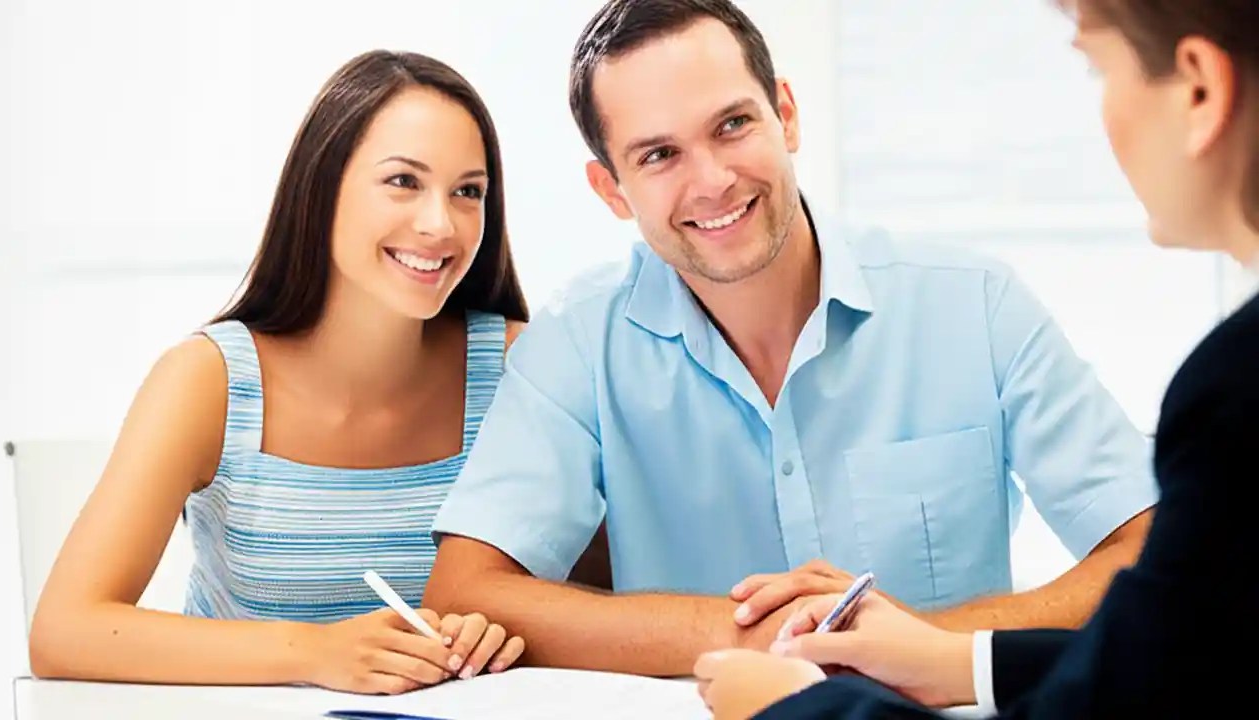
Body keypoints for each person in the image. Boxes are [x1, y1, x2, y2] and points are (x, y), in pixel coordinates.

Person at [423, 0, 1156, 677]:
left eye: (732, 125)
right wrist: (751, 635)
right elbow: (467, 591)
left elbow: (1162, 549)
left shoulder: (975, 305)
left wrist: (931, 648)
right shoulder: (577, 342)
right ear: (611, 189)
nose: (711, 180)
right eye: (659, 155)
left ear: (787, 115)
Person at [693, 0, 1259, 717]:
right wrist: (958, 659)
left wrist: (792, 709)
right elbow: (1191, 653)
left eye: (1098, 70)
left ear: (1201, 90)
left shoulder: (1236, 387)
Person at [28, 50, 530, 695]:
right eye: (403, 181)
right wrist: (314, 651)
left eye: (468, 192)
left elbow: (594, 587)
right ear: (321, 189)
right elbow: (66, 631)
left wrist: (508, 627)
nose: (441, 224)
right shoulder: (208, 381)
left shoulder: (518, 370)